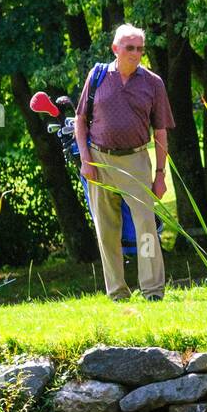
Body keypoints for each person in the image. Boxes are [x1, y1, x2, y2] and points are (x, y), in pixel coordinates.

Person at [77, 24, 175, 302]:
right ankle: (117, 292)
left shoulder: (153, 82)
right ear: (115, 49)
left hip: (135, 159)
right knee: (106, 229)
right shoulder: (97, 76)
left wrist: (159, 174)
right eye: (129, 48)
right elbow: (81, 121)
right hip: (99, 158)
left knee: (146, 227)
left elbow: (161, 132)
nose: (136, 53)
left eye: (140, 48)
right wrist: (86, 161)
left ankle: (152, 291)